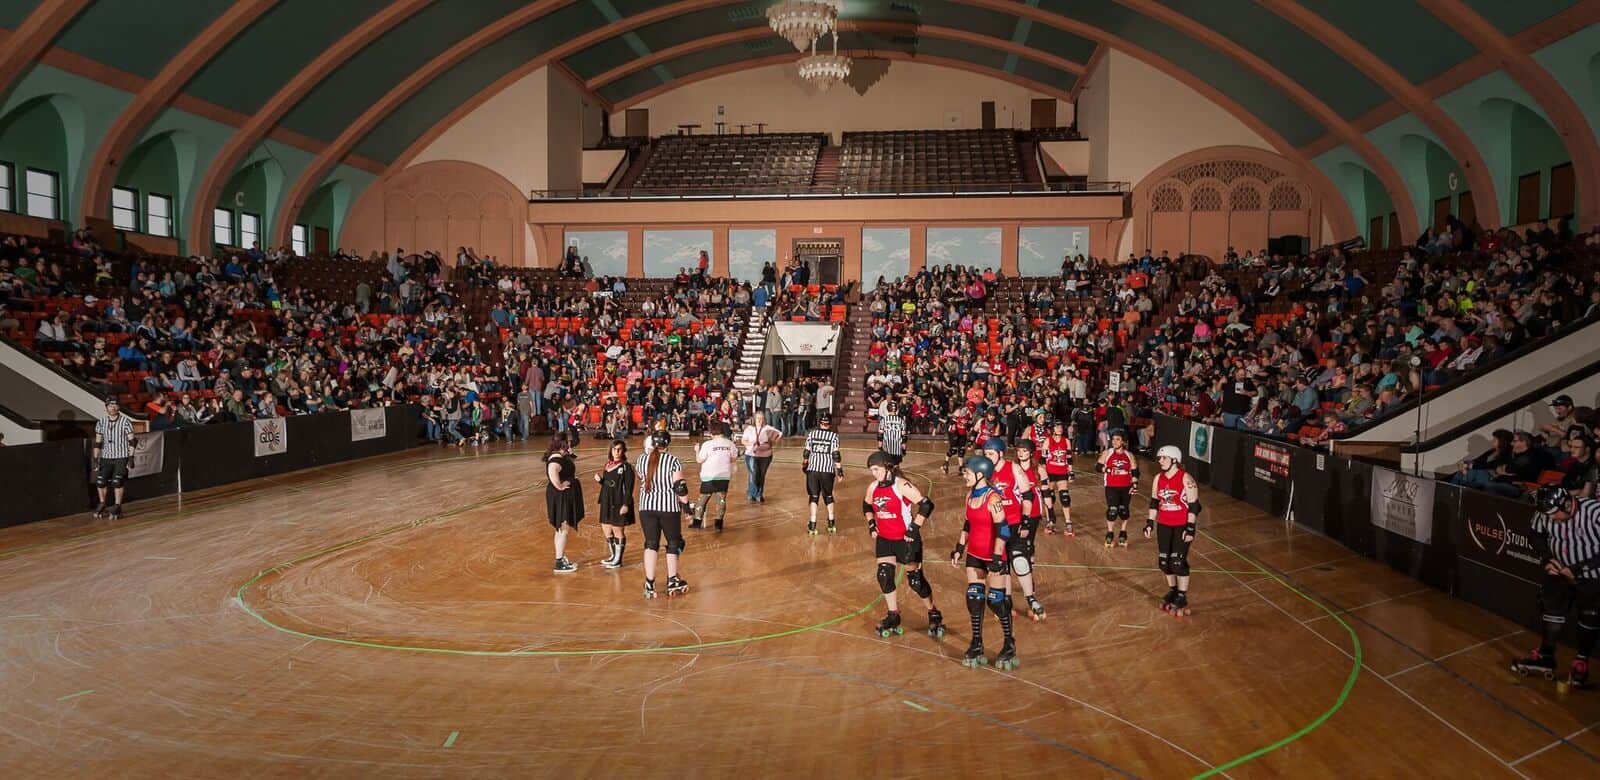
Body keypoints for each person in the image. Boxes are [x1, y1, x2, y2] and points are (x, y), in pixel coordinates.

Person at [1511, 486, 1600, 689]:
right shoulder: (1546, 512)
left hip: (1592, 575)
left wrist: (1579, 568)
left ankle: (1581, 661)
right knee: (1551, 609)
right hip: (1559, 571)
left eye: (1555, 515)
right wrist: (1547, 559)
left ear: (1567, 504)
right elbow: (1535, 534)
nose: (1553, 519)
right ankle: (1546, 655)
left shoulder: (1594, 511)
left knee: (1589, 617)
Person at [948, 455, 1018, 670]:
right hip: (975, 555)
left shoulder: (993, 498)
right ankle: (976, 642)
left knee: (996, 601)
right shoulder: (970, 496)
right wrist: (959, 548)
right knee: (974, 599)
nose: (964, 475)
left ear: (980, 474)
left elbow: (1003, 529)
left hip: (993, 556)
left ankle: (1009, 642)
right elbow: (968, 523)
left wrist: (997, 557)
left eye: (967, 472)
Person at [865, 450, 943, 638]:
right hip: (884, 539)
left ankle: (933, 612)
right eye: (871, 470)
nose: (873, 473)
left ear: (888, 467)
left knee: (915, 581)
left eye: (876, 469)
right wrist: (871, 524)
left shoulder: (902, 485)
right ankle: (893, 614)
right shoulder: (873, 487)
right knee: (884, 575)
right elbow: (866, 505)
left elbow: (926, 505)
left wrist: (914, 528)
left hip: (905, 540)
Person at [982, 437, 1038, 622]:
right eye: (985, 454)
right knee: (1001, 565)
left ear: (1000, 454)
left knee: (1020, 561)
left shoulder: (1013, 468)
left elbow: (1027, 495)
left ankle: (1031, 598)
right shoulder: (985, 472)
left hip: (1014, 523)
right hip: (996, 525)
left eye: (990, 454)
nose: (987, 458)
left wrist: (1026, 521)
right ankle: (1006, 599)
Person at [1144, 445, 1200, 616]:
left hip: (1182, 525)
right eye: (1160, 458)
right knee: (1164, 562)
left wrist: (1190, 528)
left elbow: (1194, 506)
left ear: (1174, 460)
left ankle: (1182, 595)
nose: (1160, 461)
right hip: (1164, 524)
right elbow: (1154, 502)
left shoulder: (1186, 478)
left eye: (1164, 458)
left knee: (1177, 562)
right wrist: (1149, 523)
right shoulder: (1157, 478)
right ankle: (1173, 590)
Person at [637, 429, 692, 598]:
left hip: (646, 507)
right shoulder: (673, 461)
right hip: (668, 508)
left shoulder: (641, 459)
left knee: (651, 544)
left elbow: (641, 478)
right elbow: (679, 488)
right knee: (673, 543)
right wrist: (687, 509)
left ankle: (649, 583)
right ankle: (672, 579)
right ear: (668, 444)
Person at [1012, 440, 1050, 620]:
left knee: (1027, 547)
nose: (1021, 453)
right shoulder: (1013, 468)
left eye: (1024, 451)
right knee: (1018, 550)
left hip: (1033, 513)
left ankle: (1029, 585)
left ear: (1031, 453)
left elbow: (1045, 492)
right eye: (1019, 450)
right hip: (1014, 513)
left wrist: (1050, 513)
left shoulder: (1038, 470)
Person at [545, 430, 585, 573]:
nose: (569, 443)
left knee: (560, 530)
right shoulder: (555, 461)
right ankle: (559, 561)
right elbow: (554, 478)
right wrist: (561, 485)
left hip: (563, 496)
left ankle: (560, 558)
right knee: (563, 529)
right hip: (562, 497)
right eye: (567, 441)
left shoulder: (561, 456)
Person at [594, 440, 636, 569]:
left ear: (623, 451)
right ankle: (613, 556)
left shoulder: (626, 467)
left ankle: (618, 559)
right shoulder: (608, 465)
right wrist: (601, 481)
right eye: (614, 449)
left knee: (618, 530)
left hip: (619, 502)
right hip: (607, 501)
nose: (616, 452)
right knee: (606, 529)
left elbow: (629, 488)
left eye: (619, 449)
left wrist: (625, 504)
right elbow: (609, 485)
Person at [92, 398, 135, 519]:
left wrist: (131, 457)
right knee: (100, 482)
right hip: (106, 457)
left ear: (119, 407)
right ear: (106, 408)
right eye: (110, 406)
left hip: (121, 456)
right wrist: (95, 459)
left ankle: (117, 506)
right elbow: (98, 442)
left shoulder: (125, 421)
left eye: (115, 405)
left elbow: (132, 441)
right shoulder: (101, 422)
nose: (113, 408)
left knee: (117, 482)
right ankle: (102, 504)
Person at [693, 422, 738, 531]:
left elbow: (699, 460)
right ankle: (718, 524)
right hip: (723, 476)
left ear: (712, 432)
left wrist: (697, 450)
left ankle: (697, 522)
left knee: (702, 500)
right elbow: (733, 458)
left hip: (709, 476)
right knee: (721, 500)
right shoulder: (730, 444)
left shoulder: (707, 444)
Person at [1097, 429, 1139, 548]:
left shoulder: (1129, 455)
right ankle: (1110, 532)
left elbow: (1135, 471)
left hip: (1126, 486)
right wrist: (1108, 470)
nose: (1114, 442)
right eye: (1113, 439)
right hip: (1111, 486)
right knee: (1112, 510)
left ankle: (1123, 532)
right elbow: (1098, 467)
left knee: (1124, 510)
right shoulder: (1107, 453)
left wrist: (1135, 484)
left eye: (1117, 439)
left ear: (1123, 442)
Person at [803, 412, 844, 534]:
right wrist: (840, 471)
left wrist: (805, 464)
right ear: (829, 424)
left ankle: (813, 523)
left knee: (814, 496)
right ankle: (831, 522)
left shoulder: (812, 434)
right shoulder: (834, 436)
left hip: (813, 470)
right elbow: (836, 455)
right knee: (828, 496)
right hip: (827, 470)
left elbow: (806, 453)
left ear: (819, 422)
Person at [1041, 418, 1074, 536]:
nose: (1060, 429)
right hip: (1050, 472)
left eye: (1061, 427)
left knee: (1065, 497)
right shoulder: (1048, 441)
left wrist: (1070, 472)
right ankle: (1050, 521)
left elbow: (1069, 459)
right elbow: (1043, 459)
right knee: (1049, 497)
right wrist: (1044, 474)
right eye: (1057, 427)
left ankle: (1068, 522)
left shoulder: (1066, 441)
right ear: (1053, 429)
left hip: (1062, 472)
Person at [741, 411, 781, 503]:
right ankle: (752, 493)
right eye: (758, 418)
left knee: (761, 475)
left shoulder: (767, 428)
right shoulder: (749, 429)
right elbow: (743, 441)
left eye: (761, 418)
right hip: (751, 454)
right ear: (754, 419)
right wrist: (751, 444)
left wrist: (773, 442)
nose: (760, 420)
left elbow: (779, 434)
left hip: (765, 455)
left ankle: (759, 494)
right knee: (754, 473)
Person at [943, 404, 971, 476]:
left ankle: (961, 467)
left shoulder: (969, 413)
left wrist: (968, 429)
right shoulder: (958, 411)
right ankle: (945, 463)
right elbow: (952, 423)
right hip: (954, 431)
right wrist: (954, 432)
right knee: (953, 450)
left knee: (961, 450)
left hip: (962, 432)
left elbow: (969, 424)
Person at [877, 400, 906, 465]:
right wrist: (904, 449)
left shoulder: (883, 421)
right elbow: (904, 437)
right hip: (897, 448)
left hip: (886, 447)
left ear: (887, 409)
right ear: (896, 410)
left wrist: (880, 446)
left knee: (887, 465)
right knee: (896, 466)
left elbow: (880, 435)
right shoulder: (901, 421)